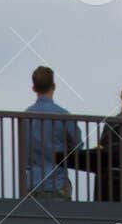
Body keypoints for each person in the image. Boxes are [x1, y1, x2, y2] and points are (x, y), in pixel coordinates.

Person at [24, 66, 82, 200]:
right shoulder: (63, 116)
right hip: (58, 182)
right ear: (54, 86)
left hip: (31, 183)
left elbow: (24, 150)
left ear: (33, 88)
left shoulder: (25, 117)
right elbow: (78, 147)